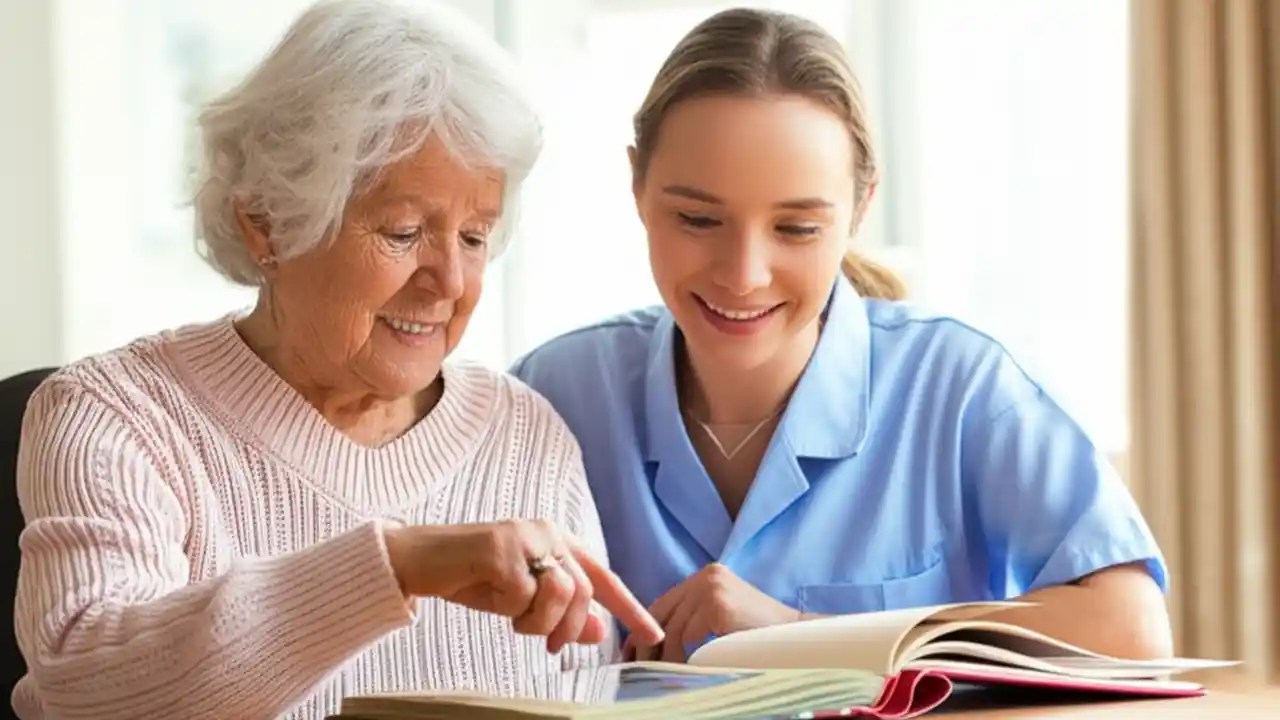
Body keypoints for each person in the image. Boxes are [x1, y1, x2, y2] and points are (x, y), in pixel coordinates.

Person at [11, 1, 662, 718]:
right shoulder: (115, 417)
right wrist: (398, 566)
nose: (448, 282)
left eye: (474, 238)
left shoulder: (523, 435)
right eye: (405, 231)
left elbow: (582, 694)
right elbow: (90, 688)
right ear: (265, 223)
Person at [511, 7, 1172, 665]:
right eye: (697, 219)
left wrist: (802, 631)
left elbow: (1131, 625)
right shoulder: (555, 392)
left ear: (859, 207)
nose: (744, 275)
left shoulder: (962, 387)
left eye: (796, 229)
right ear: (637, 186)